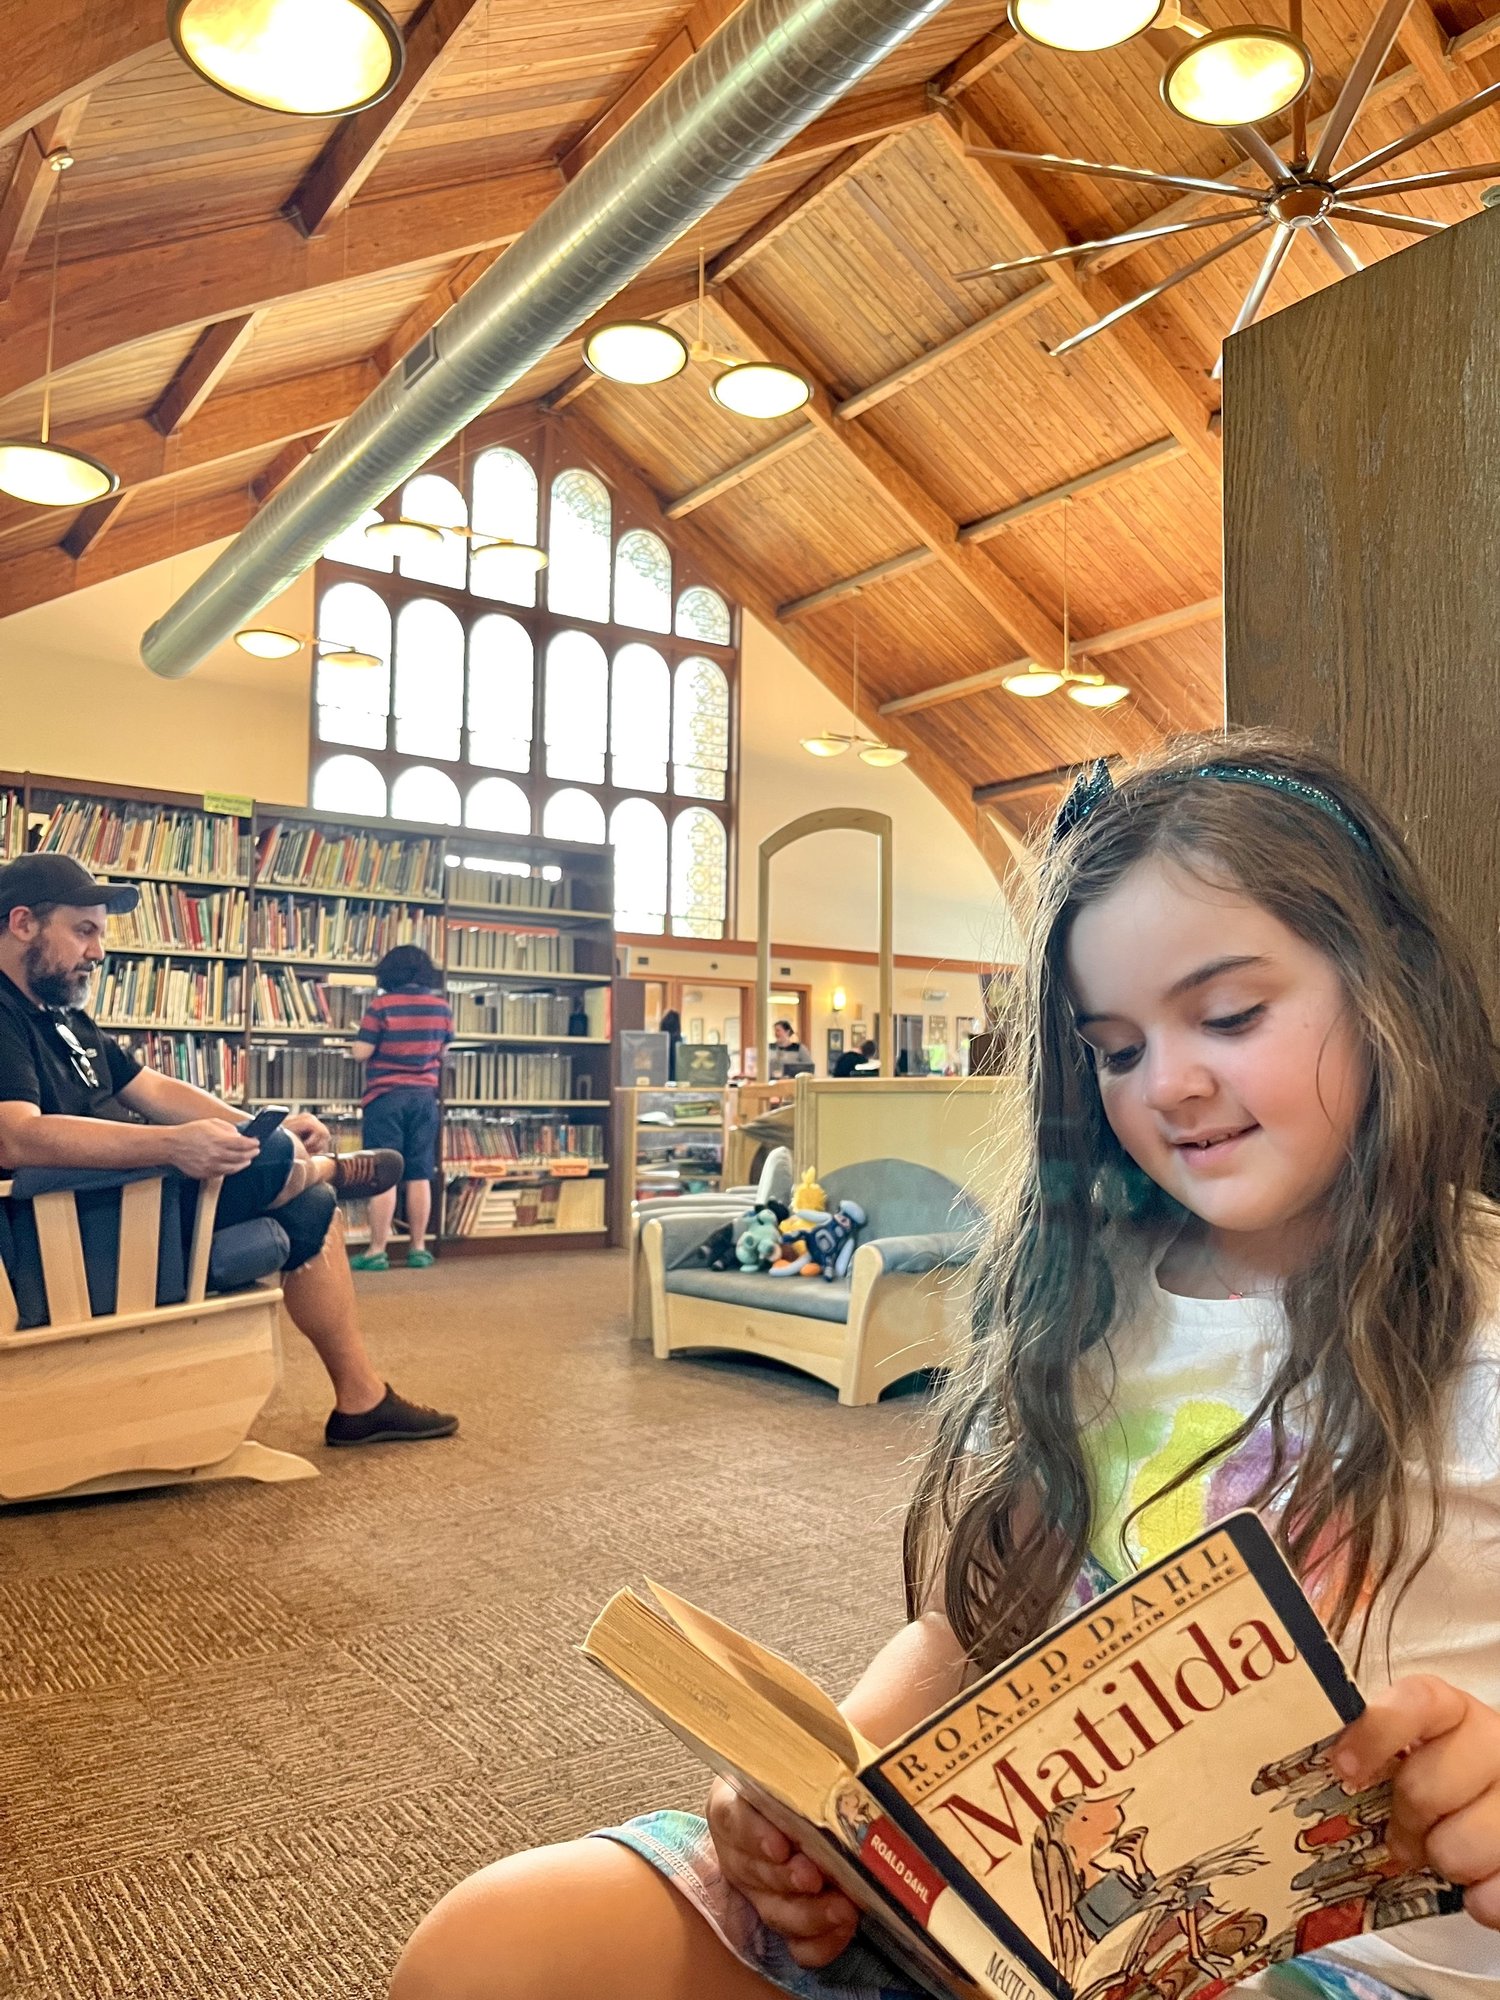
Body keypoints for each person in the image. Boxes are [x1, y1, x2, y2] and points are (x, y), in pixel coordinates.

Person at [390, 732, 1500, 2000]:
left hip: (1337, 1961)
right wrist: (831, 1797)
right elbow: (969, 1633)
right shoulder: (1081, 1301)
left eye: (1231, 1014)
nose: (1171, 1084)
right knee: (496, 1945)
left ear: (1384, 984)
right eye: (1118, 1046)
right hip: (1008, 1912)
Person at [0, 855, 457, 1448]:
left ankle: (361, 1400)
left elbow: (155, 1090)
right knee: (277, 1166)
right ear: (22, 924)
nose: (98, 952)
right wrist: (172, 1146)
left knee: (299, 1195)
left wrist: (257, 1123)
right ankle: (320, 1169)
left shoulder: (61, 1019)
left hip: (122, 1212)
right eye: (83, 931)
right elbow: (16, 1134)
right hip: (65, 1235)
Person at [349, 944, 454, 1272]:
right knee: (420, 1172)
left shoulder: (381, 1006)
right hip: (424, 1098)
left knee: (384, 1173)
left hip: (386, 1097)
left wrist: (353, 1041)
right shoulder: (442, 1008)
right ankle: (419, 1248)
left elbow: (361, 1053)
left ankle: (377, 1250)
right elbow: (445, 1051)